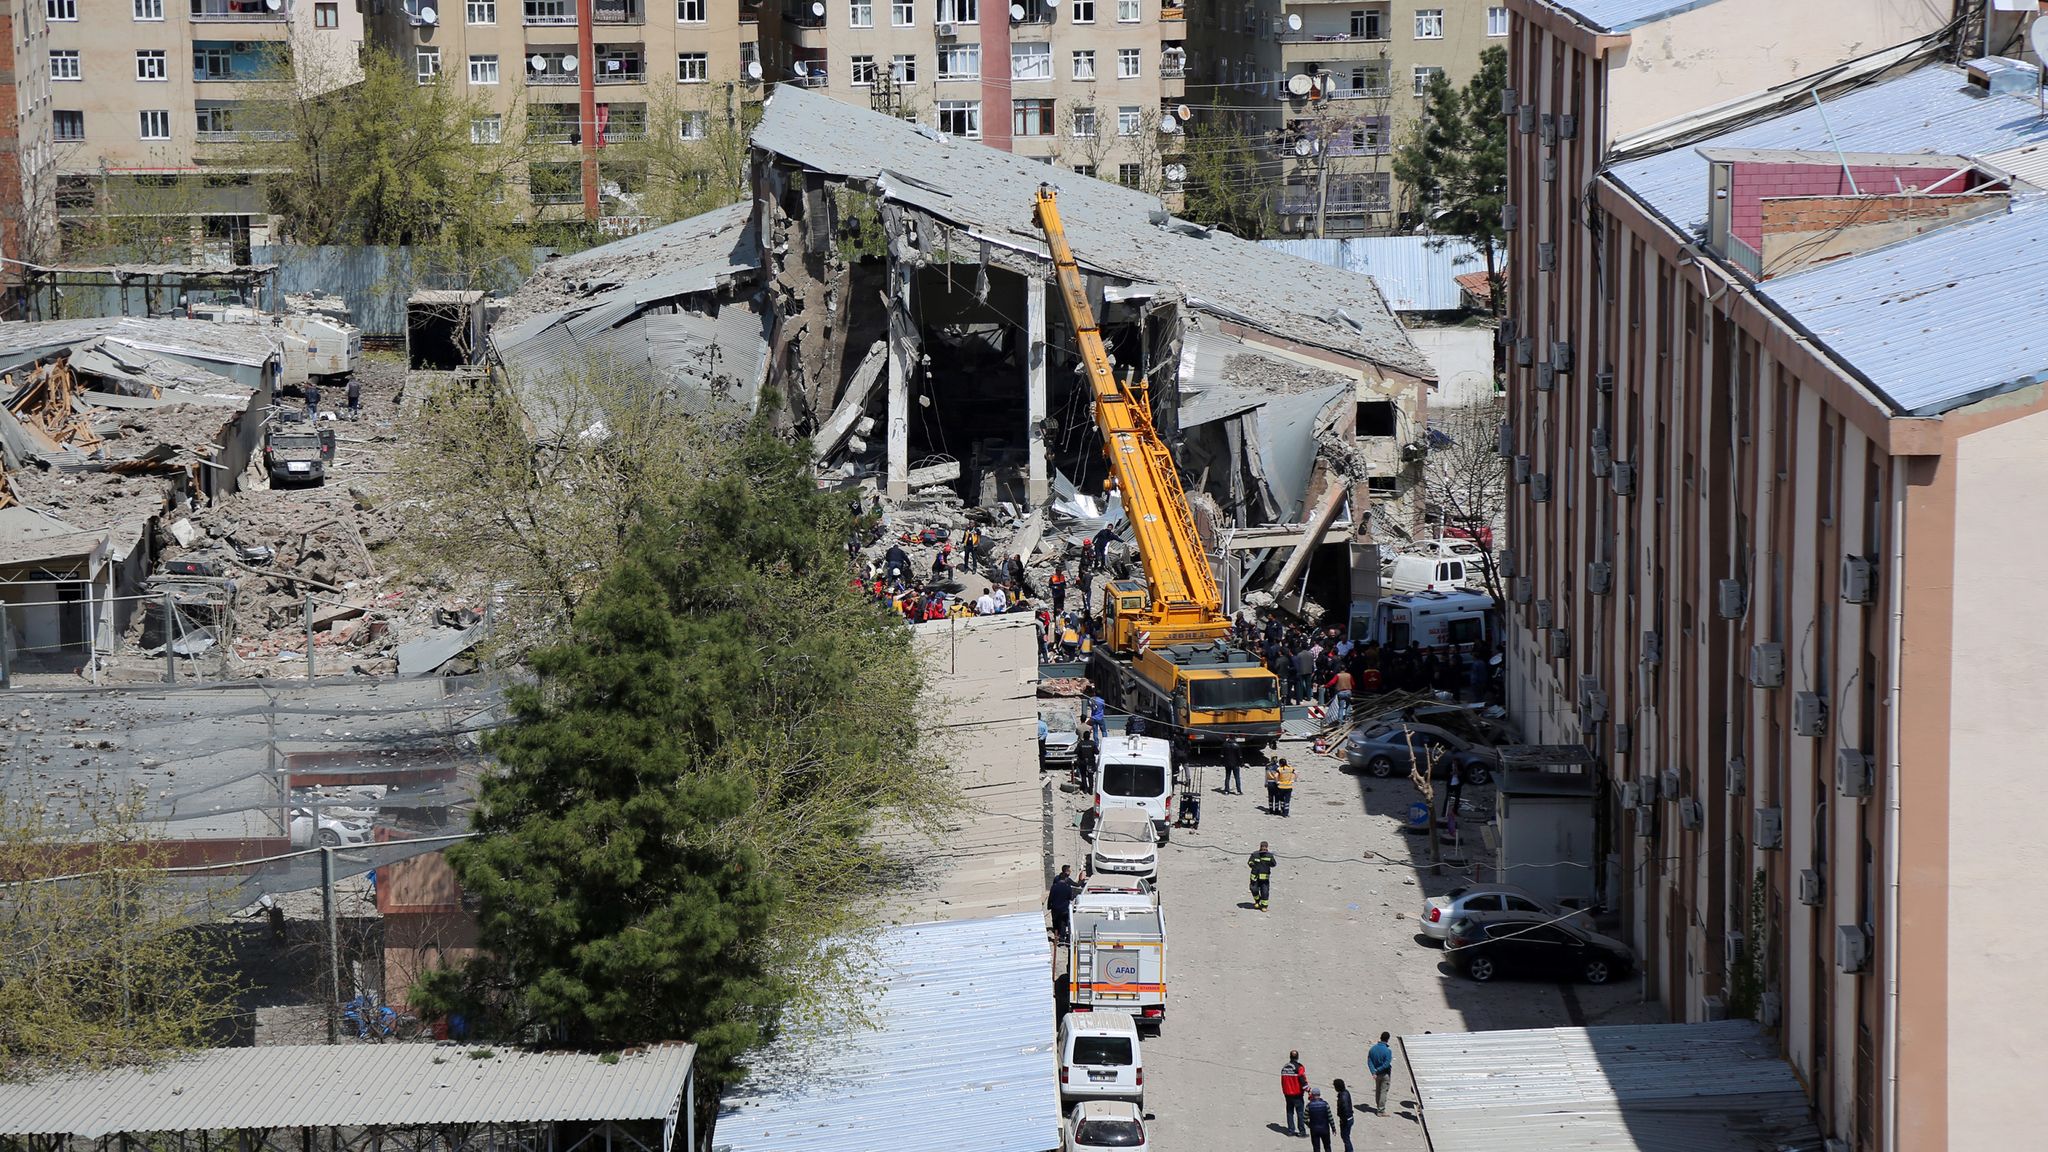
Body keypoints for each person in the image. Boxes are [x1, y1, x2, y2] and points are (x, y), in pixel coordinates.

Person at [1280, 1050, 1308, 1135]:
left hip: (1287, 1094)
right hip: (1297, 1094)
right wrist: (1307, 1089)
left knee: (1289, 1112)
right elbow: (1302, 1079)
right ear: (1297, 1057)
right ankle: (1301, 1131)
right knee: (1300, 1112)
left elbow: (1283, 1081)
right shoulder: (1299, 1067)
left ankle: (1291, 1131)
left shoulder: (1284, 1068)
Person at [1048, 865, 1078, 943]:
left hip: (1054, 908)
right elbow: (1070, 898)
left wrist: (1049, 906)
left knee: (1055, 922)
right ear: (1065, 879)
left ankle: (1056, 934)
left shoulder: (1054, 887)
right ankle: (1062, 938)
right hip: (1064, 909)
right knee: (1063, 923)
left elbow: (1050, 897)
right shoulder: (1068, 888)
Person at [1367, 1032, 1395, 1114]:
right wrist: (1378, 1070)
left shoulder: (1372, 1049)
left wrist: (1373, 1072)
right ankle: (1381, 1110)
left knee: (1378, 1090)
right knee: (1383, 1091)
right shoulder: (1388, 1051)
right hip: (1384, 1074)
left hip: (1376, 1074)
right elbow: (1386, 1064)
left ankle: (1378, 1106)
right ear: (1388, 1039)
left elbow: (1369, 1062)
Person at [1248, 841, 1276, 912]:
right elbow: (1249, 861)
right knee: (1253, 889)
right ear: (1260, 847)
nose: (1263, 848)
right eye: (1262, 846)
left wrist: (1271, 859)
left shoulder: (1269, 856)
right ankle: (1257, 901)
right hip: (1255, 877)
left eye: (1265, 847)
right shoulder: (1255, 854)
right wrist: (1251, 864)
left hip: (1264, 879)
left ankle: (1264, 906)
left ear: (1267, 847)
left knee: (1265, 892)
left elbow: (1274, 864)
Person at [1304, 1088, 1334, 1152]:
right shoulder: (1325, 1104)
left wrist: (1310, 1125)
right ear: (1319, 1094)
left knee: (1316, 1148)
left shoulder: (1308, 1106)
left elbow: (1305, 1119)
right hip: (1325, 1129)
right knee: (1327, 1147)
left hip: (1314, 1129)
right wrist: (1333, 1128)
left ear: (1312, 1095)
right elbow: (1330, 1118)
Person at [1333, 1078, 1356, 1152]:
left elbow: (1345, 1109)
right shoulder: (1344, 1092)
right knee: (1345, 1136)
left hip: (1346, 1120)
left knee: (1345, 1137)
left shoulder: (1343, 1096)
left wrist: (1343, 1120)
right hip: (1348, 1118)